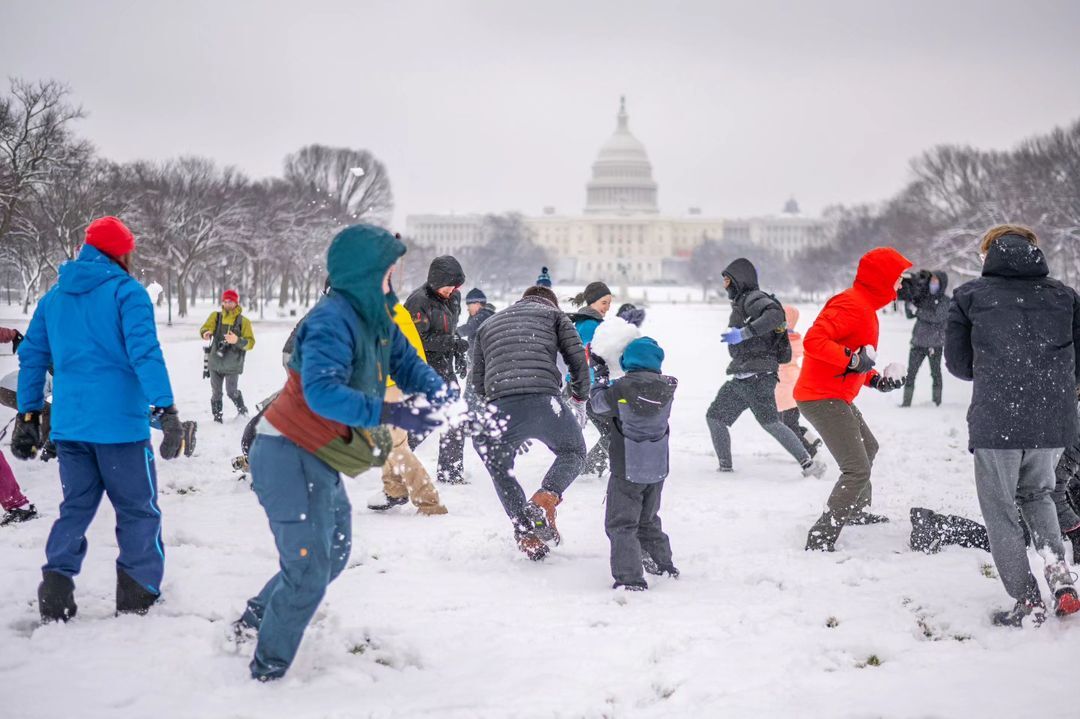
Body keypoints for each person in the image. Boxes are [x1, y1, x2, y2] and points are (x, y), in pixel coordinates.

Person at [235, 224, 450, 681]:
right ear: (365, 273)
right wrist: (399, 416)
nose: (394, 278)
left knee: (333, 549)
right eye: (389, 270)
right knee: (311, 567)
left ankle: (256, 617)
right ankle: (266, 671)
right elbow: (321, 393)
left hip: (319, 453)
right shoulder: (332, 319)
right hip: (286, 450)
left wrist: (434, 389)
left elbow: (404, 363)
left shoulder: (376, 315)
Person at [13, 216, 187, 622]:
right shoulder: (128, 293)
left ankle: (55, 589)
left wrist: (29, 414)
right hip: (120, 430)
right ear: (120, 252)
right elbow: (145, 353)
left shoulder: (54, 298)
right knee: (138, 510)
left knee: (75, 508)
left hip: (71, 428)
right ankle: (138, 592)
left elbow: (32, 357)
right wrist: (166, 408)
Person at [945, 224, 1080, 626]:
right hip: (1053, 419)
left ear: (988, 254)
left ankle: (1026, 600)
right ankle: (1060, 578)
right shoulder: (1065, 297)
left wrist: (996, 370)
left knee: (1001, 510)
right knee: (1038, 494)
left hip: (997, 419)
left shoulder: (969, 297)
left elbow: (958, 364)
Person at [795, 247, 912, 552]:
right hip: (821, 397)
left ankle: (856, 511)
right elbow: (814, 341)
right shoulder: (851, 304)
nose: (900, 285)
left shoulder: (864, 308)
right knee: (856, 467)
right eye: (897, 278)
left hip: (835, 395)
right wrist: (853, 361)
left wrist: (876, 380)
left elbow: (856, 357)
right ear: (882, 279)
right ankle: (821, 537)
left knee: (868, 448)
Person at [470, 285, 591, 560]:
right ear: (552, 303)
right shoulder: (555, 316)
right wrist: (580, 398)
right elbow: (577, 360)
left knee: (501, 467)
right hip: (544, 400)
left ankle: (526, 536)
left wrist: (503, 412)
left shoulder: (488, 323)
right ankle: (545, 498)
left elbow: (477, 381)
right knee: (573, 452)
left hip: (500, 404)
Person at [706, 259, 825, 477]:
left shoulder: (754, 298)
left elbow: (775, 315)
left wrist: (743, 333)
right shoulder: (743, 301)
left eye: (727, 280)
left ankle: (809, 464)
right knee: (716, 417)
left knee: (771, 423)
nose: (725, 286)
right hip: (742, 377)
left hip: (758, 378)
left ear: (738, 279)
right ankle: (724, 467)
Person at [590, 337, 678, 591]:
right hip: (658, 467)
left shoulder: (621, 388)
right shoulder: (668, 387)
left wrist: (600, 379)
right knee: (648, 519)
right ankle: (663, 565)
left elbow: (598, 405)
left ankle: (630, 579)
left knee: (621, 524)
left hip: (628, 467)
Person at [367, 298, 448, 516]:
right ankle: (394, 489)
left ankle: (430, 502)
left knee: (395, 446)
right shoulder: (392, 308)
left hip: (386, 385)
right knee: (389, 442)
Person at [404, 256, 468, 484]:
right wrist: (452, 344)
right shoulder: (418, 301)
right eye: (449, 285)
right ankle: (398, 456)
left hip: (444, 366)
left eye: (456, 286)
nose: (453, 290)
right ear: (436, 280)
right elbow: (418, 339)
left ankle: (451, 471)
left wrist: (458, 352)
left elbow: (451, 329)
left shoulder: (453, 298)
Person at [568, 280, 614, 475]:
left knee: (612, 430)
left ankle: (592, 465)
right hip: (589, 389)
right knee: (616, 430)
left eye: (610, 303)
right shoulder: (589, 326)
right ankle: (590, 466)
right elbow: (591, 358)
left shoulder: (586, 322)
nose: (608, 307)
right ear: (592, 302)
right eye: (604, 302)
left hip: (584, 387)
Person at [200, 290, 255, 422]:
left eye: (230, 301)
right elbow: (205, 328)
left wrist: (237, 340)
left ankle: (242, 410)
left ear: (236, 302)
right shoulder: (216, 316)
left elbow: (251, 343)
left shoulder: (244, 322)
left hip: (233, 364)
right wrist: (205, 333)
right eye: (224, 301)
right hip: (215, 362)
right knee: (216, 393)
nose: (226, 304)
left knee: (231, 391)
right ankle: (217, 418)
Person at [775, 305, 818, 458]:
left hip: (785, 386)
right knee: (788, 422)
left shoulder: (780, 340)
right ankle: (810, 440)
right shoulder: (796, 338)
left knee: (787, 425)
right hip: (794, 382)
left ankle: (809, 451)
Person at [902, 271, 949, 407]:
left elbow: (937, 317)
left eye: (936, 281)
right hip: (917, 342)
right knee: (910, 374)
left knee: (935, 374)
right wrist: (908, 300)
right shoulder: (923, 297)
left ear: (942, 283)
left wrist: (917, 310)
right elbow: (910, 315)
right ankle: (906, 403)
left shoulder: (945, 301)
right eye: (931, 281)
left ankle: (937, 403)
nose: (932, 284)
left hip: (934, 345)